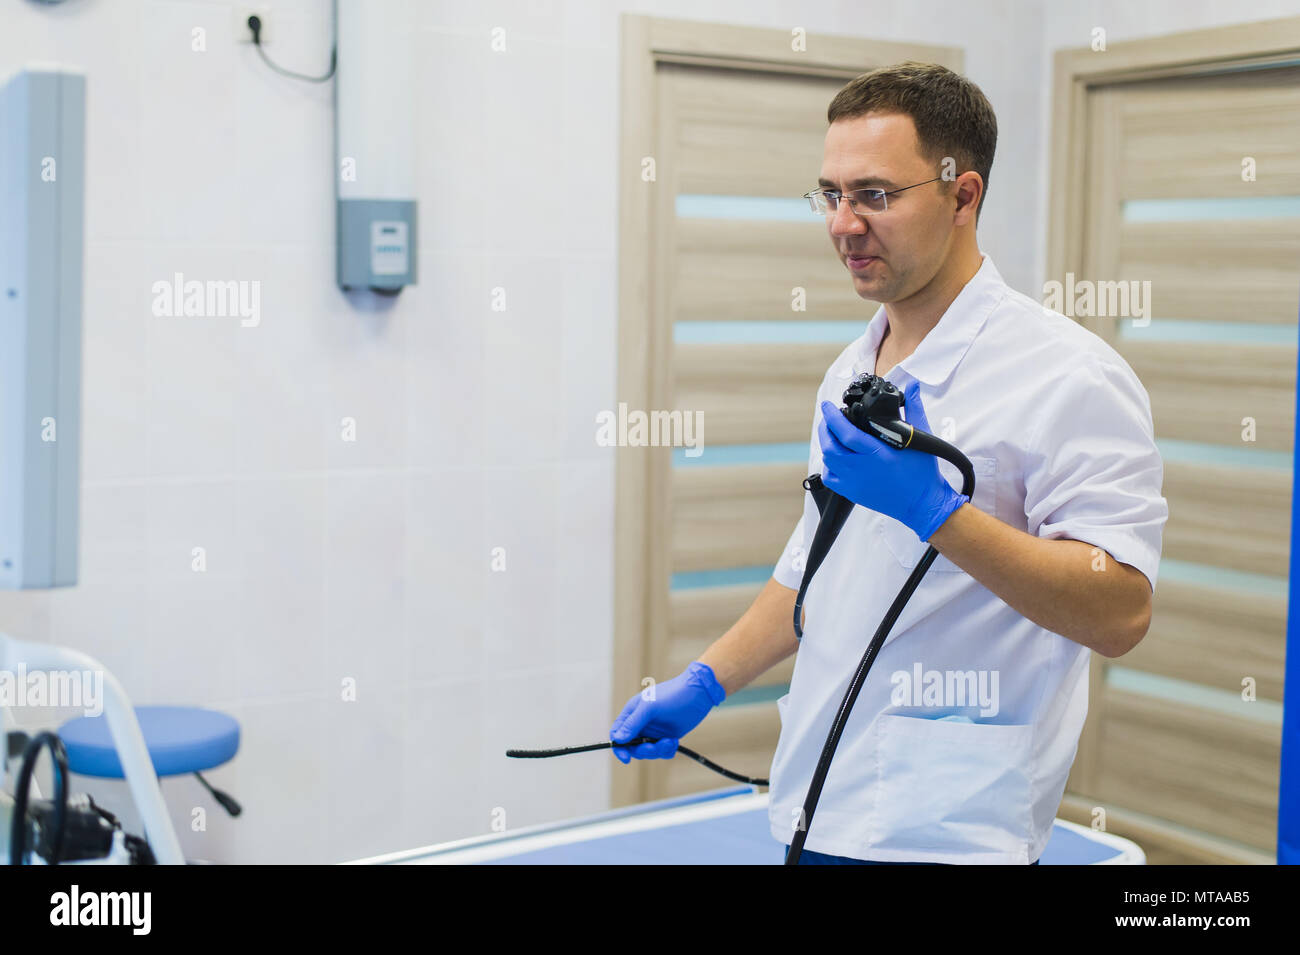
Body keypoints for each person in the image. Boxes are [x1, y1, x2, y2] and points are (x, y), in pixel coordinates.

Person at [610, 61, 1168, 865]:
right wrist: (705, 681)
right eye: (830, 194)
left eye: (875, 194)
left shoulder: (1068, 377)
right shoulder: (851, 372)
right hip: (816, 805)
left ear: (962, 195)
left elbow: (1120, 612)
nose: (843, 223)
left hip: (950, 830)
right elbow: (817, 566)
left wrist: (938, 513)